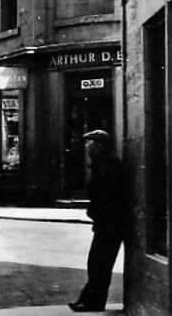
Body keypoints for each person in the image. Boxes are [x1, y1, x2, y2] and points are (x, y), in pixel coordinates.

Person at [69, 129, 130, 312]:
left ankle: (94, 302)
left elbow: (109, 194)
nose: (87, 146)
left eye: (90, 142)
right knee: (96, 263)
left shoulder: (109, 164)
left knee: (100, 263)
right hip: (106, 222)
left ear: (99, 145)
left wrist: (98, 212)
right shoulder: (102, 163)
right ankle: (87, 298)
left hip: (110, 223)